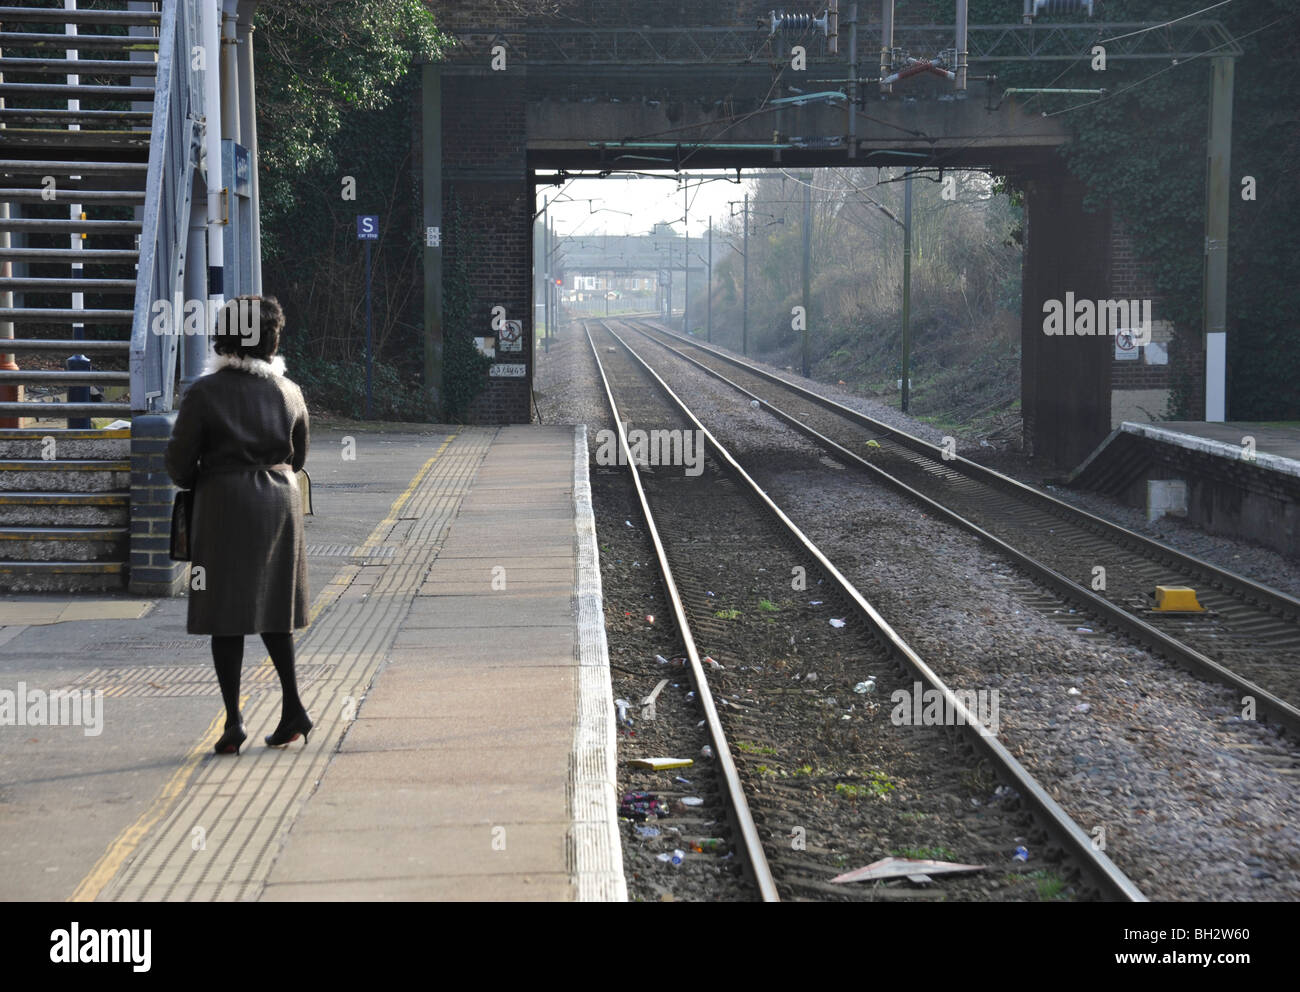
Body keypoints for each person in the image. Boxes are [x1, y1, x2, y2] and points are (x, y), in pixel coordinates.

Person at [165, 295, 312, 754]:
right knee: (275, 610)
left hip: (223, 507)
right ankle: (292, 707)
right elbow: (299, 457)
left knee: (223, 613)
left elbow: (178, 466)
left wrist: (207, 477)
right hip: (280, 507)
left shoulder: (204, 394)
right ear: (268, 340)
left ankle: (233, 720)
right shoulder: (289, 392)